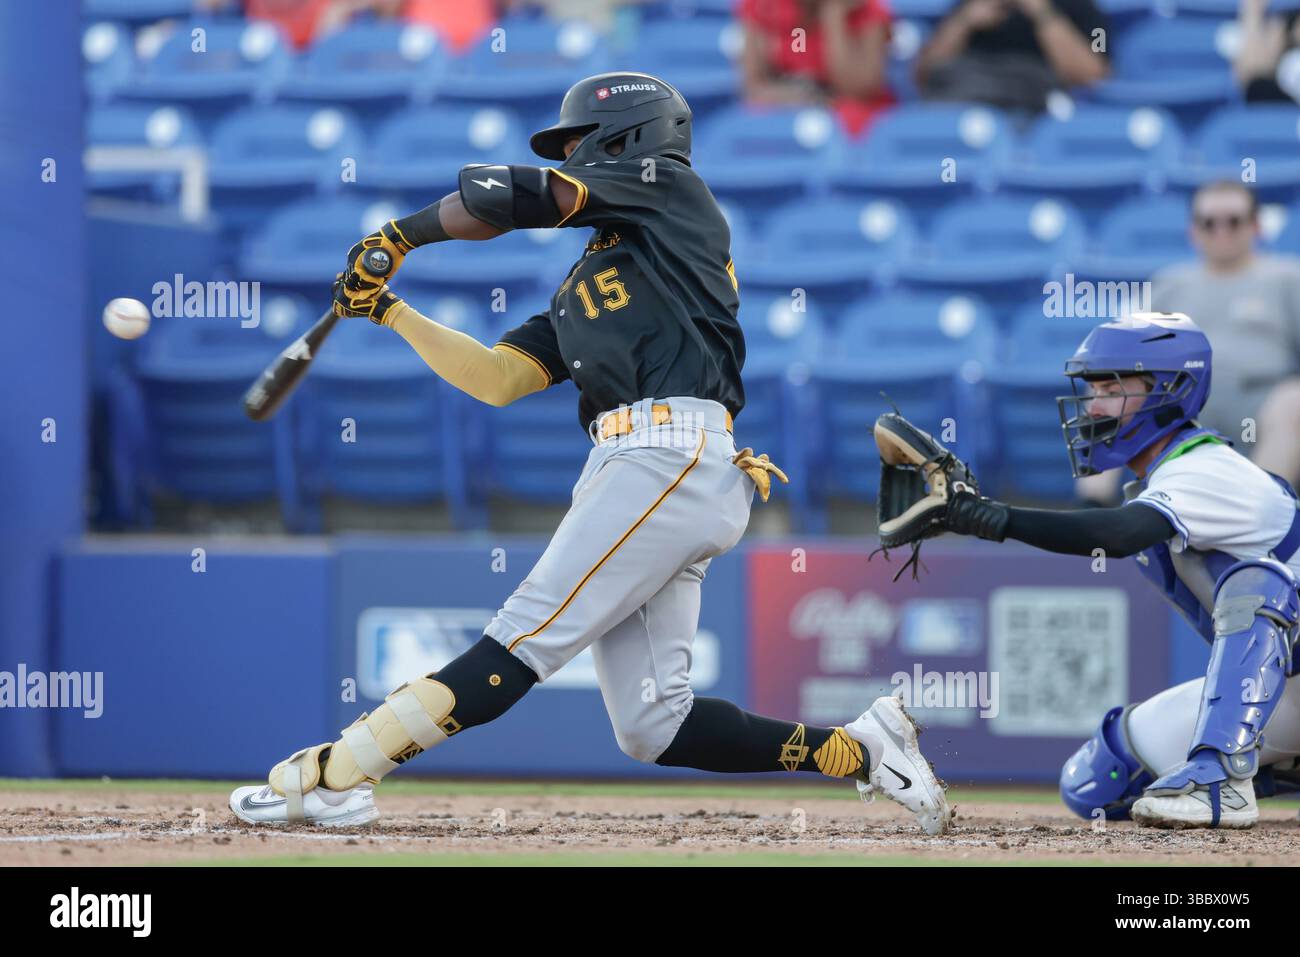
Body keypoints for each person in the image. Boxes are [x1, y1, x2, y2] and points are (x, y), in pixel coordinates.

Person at [228, 72, 952, 835]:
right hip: (649, 467)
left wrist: (400, 234)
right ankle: (863, 750)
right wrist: (391, 311)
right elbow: (499, 378)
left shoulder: (670, 189)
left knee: (518, 641)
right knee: (654, 725)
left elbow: (509, 193)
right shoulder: (592, 279)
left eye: (578, 140)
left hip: (664, 456)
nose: (571, 153)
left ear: (630, 135)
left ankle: (337, 774)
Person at [929, 312, 1300, 828]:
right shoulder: (1165, 476)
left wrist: (993, 519)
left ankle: (1222, 780)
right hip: (1288, 691)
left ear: (1171, 391)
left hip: (1293, 679)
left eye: (1113, 386)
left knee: (1255, 586)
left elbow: (1118, 535)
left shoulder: (1206, 468)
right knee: (1093, 782)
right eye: (1093, 387)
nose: (1094, 403)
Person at [1151, 181, 1300, 490]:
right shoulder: (1169, 284)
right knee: (1114, 387)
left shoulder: (1288, 277)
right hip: (1182, 406)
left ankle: (1259, 509)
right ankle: (1092, 508)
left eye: (1234, 220)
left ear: (1256, 225)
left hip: (1261, 402)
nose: (1221, 230)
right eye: (1208, 222)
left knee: (1294, 401)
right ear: (1193, 230)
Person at [914, 0, 1109, 112]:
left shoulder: (1077, 6)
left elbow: (1093, 76)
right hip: (960, 102)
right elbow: (925, 74)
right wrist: (964, 22)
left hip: (1032, 108)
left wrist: (1041, 12)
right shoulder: (969, 5)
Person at [738, 0, 895, 137]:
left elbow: (859, 88)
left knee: (850, 119)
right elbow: (754, 87)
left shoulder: (866, 8)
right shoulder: (762, 5)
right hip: (787, 102)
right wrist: (800, 99)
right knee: (755, 120)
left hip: (846, 111)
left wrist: (834, 18)